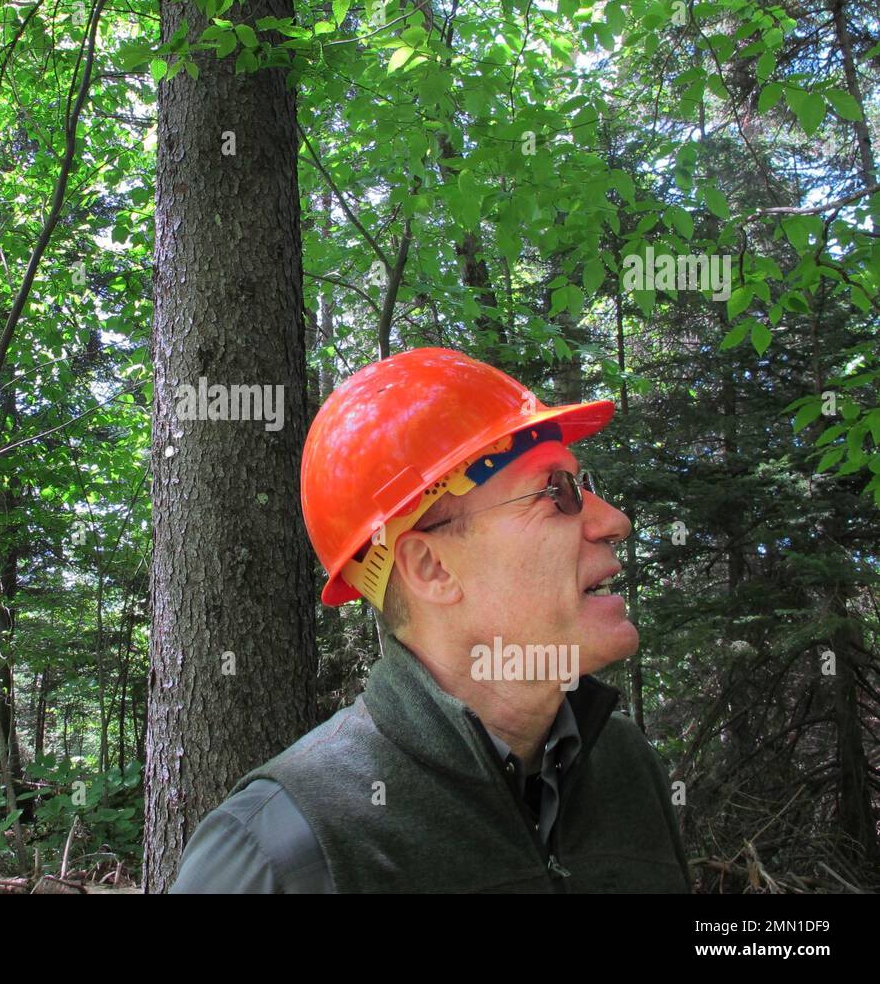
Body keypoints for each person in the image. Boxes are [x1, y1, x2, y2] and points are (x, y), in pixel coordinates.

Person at [170, 347, 692, 893]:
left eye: (583, 487)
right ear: (432, 567)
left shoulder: (626, 767)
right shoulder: (281, 850)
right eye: (555, 492)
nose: (615, 521)